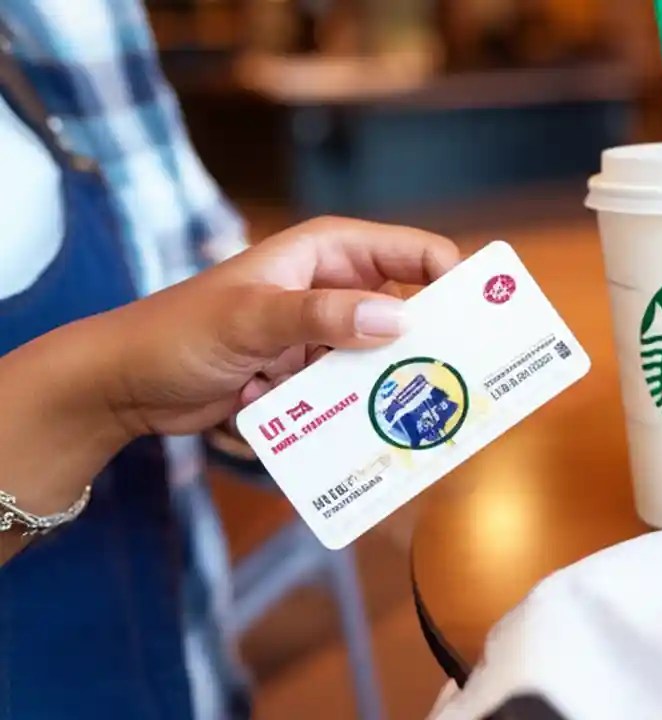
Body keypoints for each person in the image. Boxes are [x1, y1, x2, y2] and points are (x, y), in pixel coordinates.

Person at [0, 2, 460, 718]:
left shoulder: (79, 14)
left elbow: (189, 251)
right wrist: (107, 392)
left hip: (187, 674)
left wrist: (284, 389)